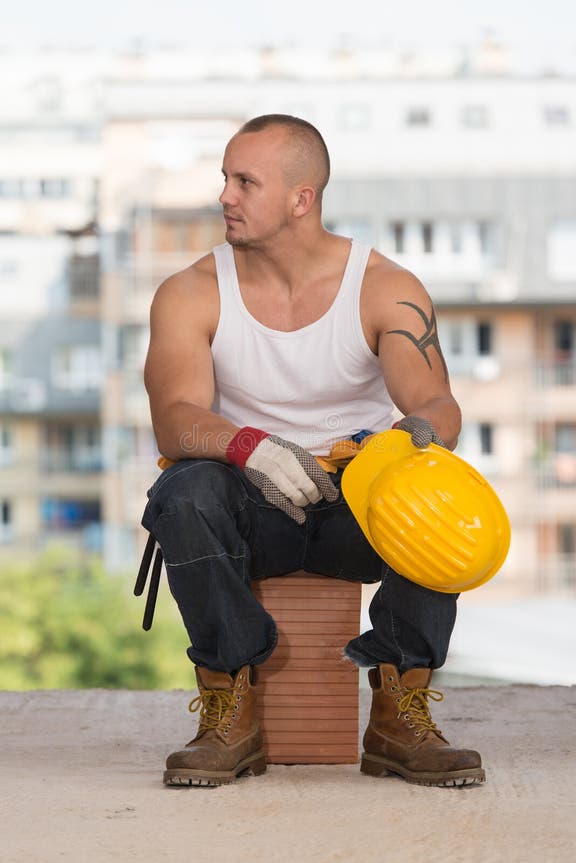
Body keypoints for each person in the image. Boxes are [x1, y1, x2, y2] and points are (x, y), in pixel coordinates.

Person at [142, 114, 485, 789]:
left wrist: (407, 439)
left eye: (245, 182)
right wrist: (249, 446)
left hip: (357, 501)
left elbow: (436, 403)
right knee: (182, 492)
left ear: (302, 198)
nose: (225, 197)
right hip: (247, 502)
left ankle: (397, 709)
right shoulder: (190, 290)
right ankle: (229, 708)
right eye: (225, 178)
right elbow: (174, 420)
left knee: (440, 489)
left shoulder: (384, 285)